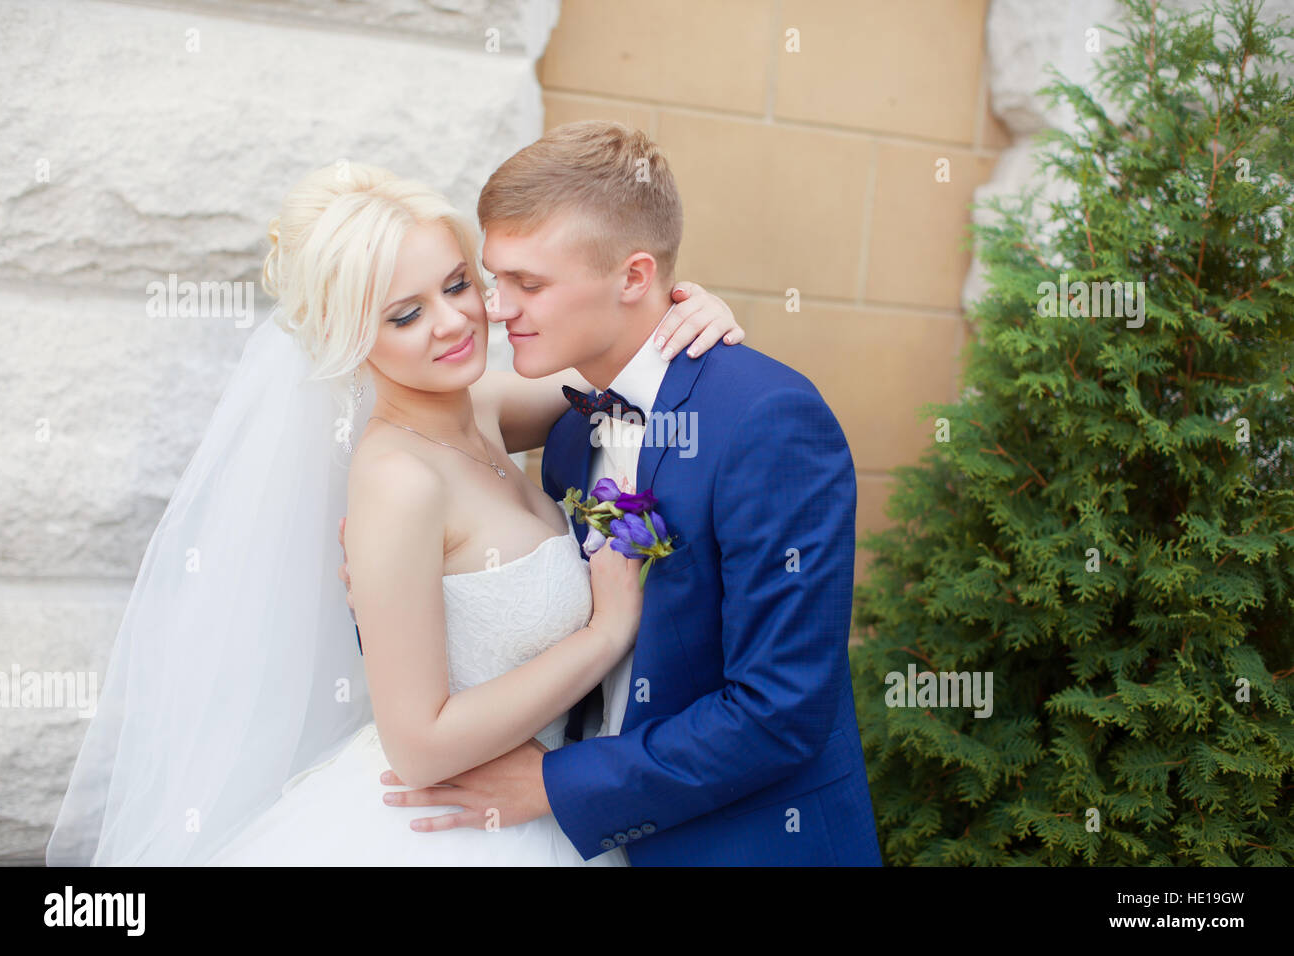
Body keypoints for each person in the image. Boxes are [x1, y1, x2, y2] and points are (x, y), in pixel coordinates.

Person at [45, 161, 743, 866]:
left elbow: (627, 373)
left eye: (457, 284)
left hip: (547, 801)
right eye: (405, 315)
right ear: (347, 336)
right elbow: (419, 746)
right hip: (455, 828)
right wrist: (606, 631)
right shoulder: (399, 481)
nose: (454, 322)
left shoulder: (486, 409)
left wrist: (688, 308)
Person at [358, 121, 884, 866]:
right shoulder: (573, 426)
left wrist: (553, 783)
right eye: (493, 276)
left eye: (529, 284)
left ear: (635, 277)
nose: (496, 309)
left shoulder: (769, 421)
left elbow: (780, 712)